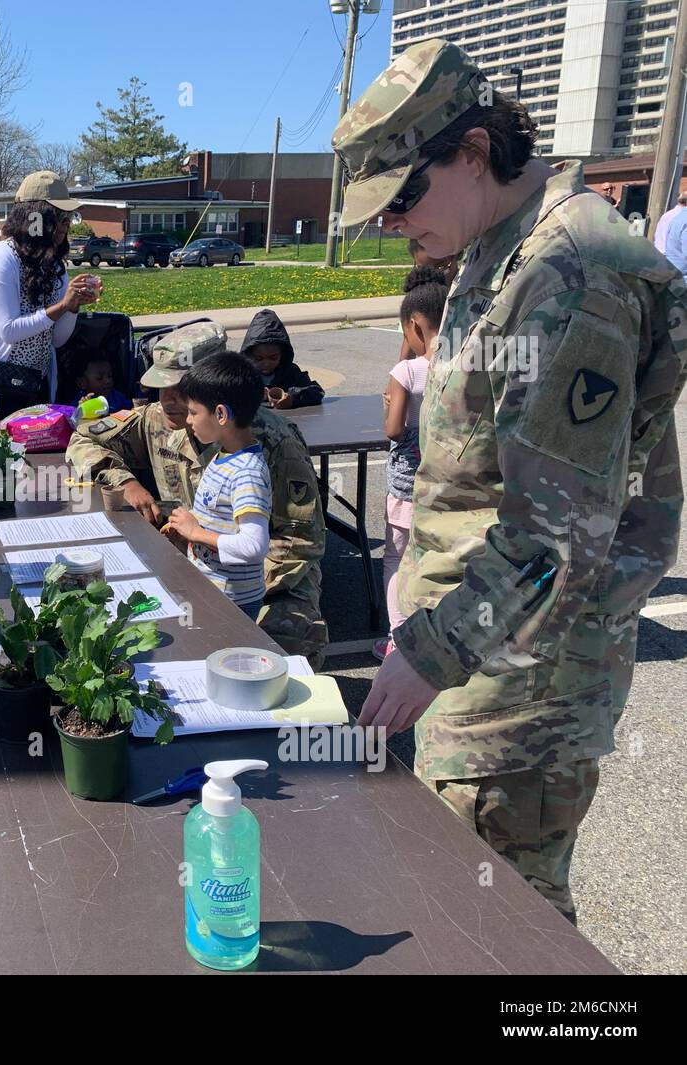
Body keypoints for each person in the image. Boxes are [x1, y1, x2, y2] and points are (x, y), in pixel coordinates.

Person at [338, 39, 687, 922]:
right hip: (479, 661)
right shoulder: (503, 248)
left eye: (403, 197)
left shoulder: (571, 277)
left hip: (521, 691)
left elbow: (557, 535)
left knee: (502, 928)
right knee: (463, 907)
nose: (393, 225)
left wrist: (434, 649)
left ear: (474, 150)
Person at [67, 321, 329, 666]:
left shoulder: (275, 441)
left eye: (180, 390)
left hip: (265, 581)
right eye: (160, 389)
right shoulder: (156, 419)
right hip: (192, 566)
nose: (167, 402)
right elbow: (83, 438)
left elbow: (301, 540)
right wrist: (125, 482)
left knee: (276, 656)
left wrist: (239, 594)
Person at [0, 170, 100, 419]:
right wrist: (61, 307)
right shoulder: (1, 258)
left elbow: (57, 339)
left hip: (36, 382)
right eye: (58, 216)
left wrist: (74, 305)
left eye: (68, 217)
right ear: (34, 216)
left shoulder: (55, 266)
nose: (65, 224)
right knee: (1, 457)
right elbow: (9, 331)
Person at [164, 354, 273, 621]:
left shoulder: (246, 472)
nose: (188, 420)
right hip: (216, 591)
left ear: (221, 414)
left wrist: (196, 532)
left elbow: (254, 546)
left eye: (193, 412)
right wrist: (187, 530)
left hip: (232, 601)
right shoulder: (225, 455)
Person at [376, 266, 446, 661]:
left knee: (396, 559)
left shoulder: (407, 370)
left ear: (415, 326)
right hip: (444, 484)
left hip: (406, 484)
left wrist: (389, 405)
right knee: (433, 557)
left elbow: (393, 429)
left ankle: (396, 638)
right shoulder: (462, 363)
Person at [239, 308, 324, 409]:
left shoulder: (290, 372)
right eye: (259, 358)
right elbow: (224, 395)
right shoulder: (243, 374)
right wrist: (252, 395)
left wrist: (293, 398)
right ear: (250, 355)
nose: (266, 363)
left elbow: (316, 391)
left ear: (282, 354)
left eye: (273, 358)